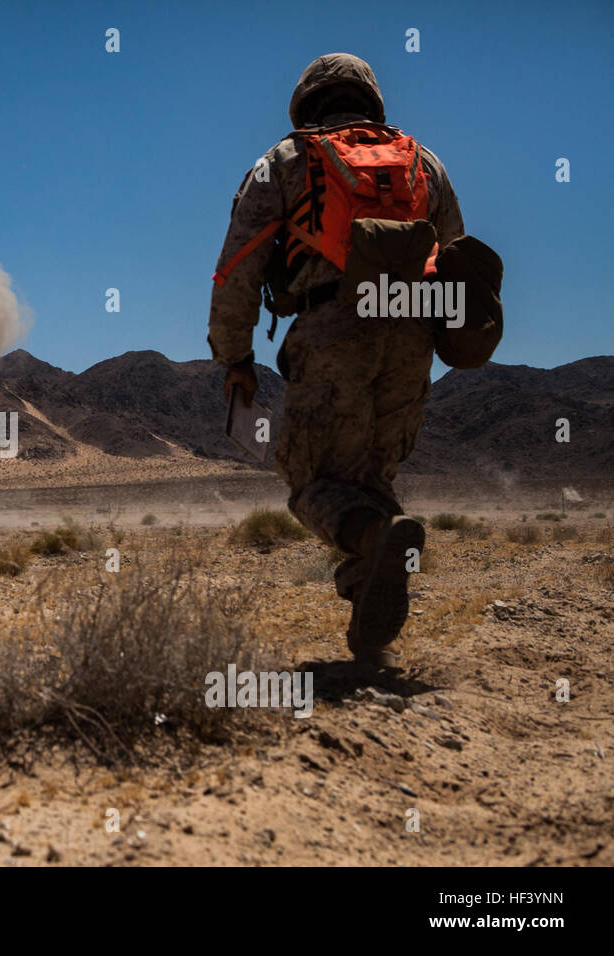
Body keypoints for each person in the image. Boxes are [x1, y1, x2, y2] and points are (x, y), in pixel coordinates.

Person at [208, 54, 466, 668]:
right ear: (369, 99)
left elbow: (239, 262)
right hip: (412, 336)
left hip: (334, 325)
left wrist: (235, 354)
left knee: (309, 479)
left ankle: (376, 543)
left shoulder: (290, 158)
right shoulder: (421, 162)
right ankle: (368, 614)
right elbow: (458, 255)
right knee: (372, 480)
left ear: (307, 104)